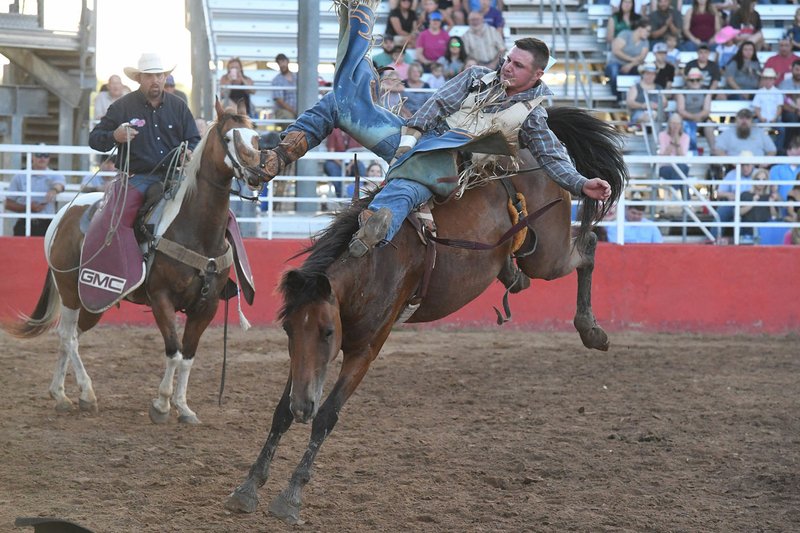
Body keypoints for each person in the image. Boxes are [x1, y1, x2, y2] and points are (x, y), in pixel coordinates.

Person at [253, 3, 611, 259]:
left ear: (536, 76)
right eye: (507, 59)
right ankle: (277, 157)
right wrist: (409, 138)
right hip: (414, 141)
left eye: (517, 66)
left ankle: (375, 227)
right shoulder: (475, 77)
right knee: (342, 104)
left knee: (409, 185)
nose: (506, 68)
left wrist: (581, 184)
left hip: (451, 165)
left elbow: (551, 156)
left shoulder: (532, 117)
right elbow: (437, 104)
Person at [87, 52, 200, 270]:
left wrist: (190, 151)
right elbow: (94, 139)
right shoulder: (122, 107)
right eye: (149, 76)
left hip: (174, 175)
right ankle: (117, 266)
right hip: (137, 178)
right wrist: (114, 136)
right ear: (139, 79)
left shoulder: (179, 107)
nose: (155, 80)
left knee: (205, 208)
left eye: (159, 75)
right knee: (118, 219)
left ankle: (209, 268)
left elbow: (194, 139)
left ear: (165, 77)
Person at [4, 150, 66, 236]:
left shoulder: (55, 175)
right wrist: (28, 207)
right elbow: (8, 203)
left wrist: (54, 190)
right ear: (32, 157)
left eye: (46, 155)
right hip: (24, 223)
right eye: (38, 155)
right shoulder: (19, 176)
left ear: (49, 158)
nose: (42, 158)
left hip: (47, 224)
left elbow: (60, 185)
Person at [605, 20, 652, 100]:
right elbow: (616, 50)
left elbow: (641, 58)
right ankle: (617, 97)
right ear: (640, 28)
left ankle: (637, 97)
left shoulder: (645, 42)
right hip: (615, 62)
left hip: (632, 66)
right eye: (647, 31)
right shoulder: (625, 34)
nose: (648, 33)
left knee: (643, 72)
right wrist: (632, 59)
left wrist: (630, 65)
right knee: (614, 71)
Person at [676, 67, 715, 152]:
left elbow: (706, 111)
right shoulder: (681, 92)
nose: (695, 82)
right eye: (692, 80)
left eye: (697, 80)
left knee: (709, 124)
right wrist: (694, 117)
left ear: (701, 80)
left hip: (701, 119)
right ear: (687, 81)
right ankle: (685, 151)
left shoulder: (706, 92)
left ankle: (714, 151)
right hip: (685, 120)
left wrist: (697, 117)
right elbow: (681, 110)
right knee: (681, 123)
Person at [324, 128, 366, 198]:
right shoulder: (334, 131)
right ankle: (342, 197)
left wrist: (349, 166)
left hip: (352, 163)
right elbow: (331, 153)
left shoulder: (356, 131)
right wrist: (343, 166)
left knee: (360, 167)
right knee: (331, 167)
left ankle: (360, 195)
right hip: (337, 163)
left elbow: (359, 153)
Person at [739, 168, 779, 239]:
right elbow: (738, 212)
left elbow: (775, 216)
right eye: (758, 179)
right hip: (747, 233)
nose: (761, 182)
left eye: (764, 180)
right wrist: (752, 203)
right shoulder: (745, 194)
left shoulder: (770, 197)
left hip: (765, 234)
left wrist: (771, 205)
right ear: (754, 180)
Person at [751, 67, 784, 152]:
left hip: (774, 119)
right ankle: (755, 149)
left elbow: (779, 107)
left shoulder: (778, 92)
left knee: (782, 129)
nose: (768, 81)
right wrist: (761, 117)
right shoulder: (759, 92)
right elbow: (756, 108)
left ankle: (778, 150)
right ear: (763, 80)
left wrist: (775, 118)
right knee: (752, 127)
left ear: (774, 80)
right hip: (761, 118)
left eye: (770, 79)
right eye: (766, 79)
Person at [657, 113, 691, 186]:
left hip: (680, 166)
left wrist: (677, 142)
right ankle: (682, 196)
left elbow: (682, 157)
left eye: (677, 124)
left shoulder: (686, 137)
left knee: (682, 168)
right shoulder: (662, 135)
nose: (675, 126)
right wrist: (672, 142)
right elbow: (664, 155)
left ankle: (675, 193)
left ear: (681, 125)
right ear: (669, 124)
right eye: (673, 123)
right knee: (682, 174)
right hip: (666, 167)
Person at [272, 53, 297, 127]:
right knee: (289, 119)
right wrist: (294, 111)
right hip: (284, 111)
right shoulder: (277, 80)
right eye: (279, 63)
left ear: (287, 61)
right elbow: (280, 101)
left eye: (283, 61)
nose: (282, 65)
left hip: (299, 110)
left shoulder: (297, 77)